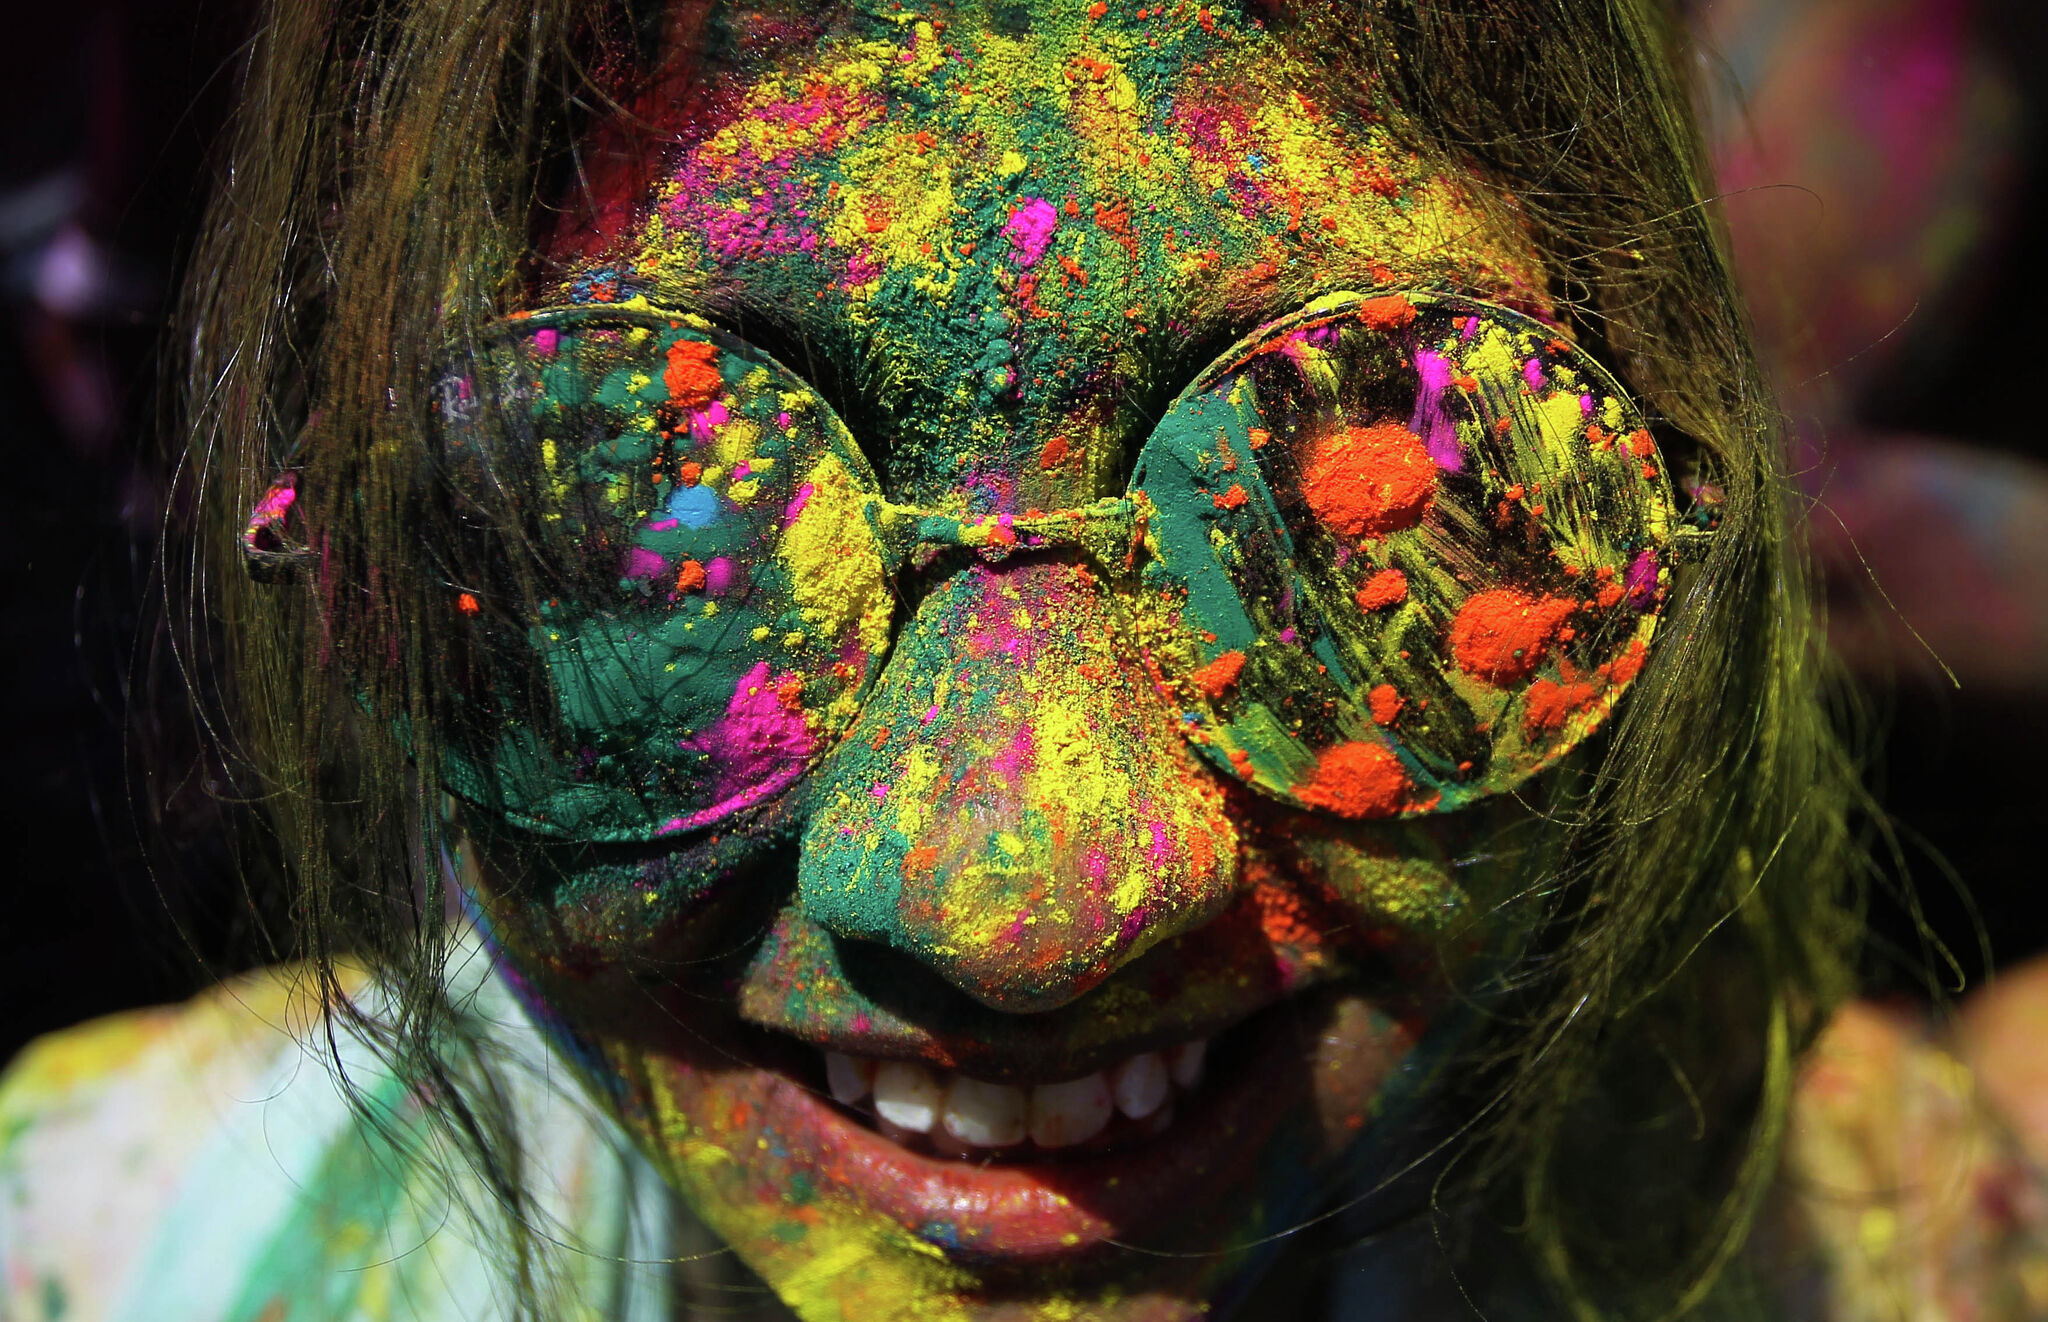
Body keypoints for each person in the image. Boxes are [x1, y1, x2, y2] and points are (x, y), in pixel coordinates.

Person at [7, 1, 2036, 1319]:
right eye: (670, 492)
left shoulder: (1923, 1254)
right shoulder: (87, 1248)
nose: (1024, 911)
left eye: (1350, 496)